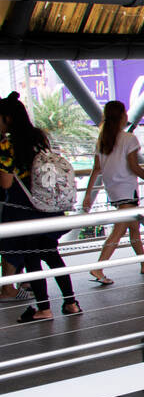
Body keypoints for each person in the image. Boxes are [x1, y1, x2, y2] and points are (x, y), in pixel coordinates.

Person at [0, 93, 82, 322]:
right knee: (52, 255)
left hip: (23, 209)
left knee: (31, 259)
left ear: (6, 118)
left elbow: (6, 182)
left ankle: (44, 308)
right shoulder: (38, 137)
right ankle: (71, 302)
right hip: (47, 205)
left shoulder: (7, 145)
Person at [81, 100, 144, 284]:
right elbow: (134, 166)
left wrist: (87, 194)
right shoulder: (128, 138)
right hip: (127, 189)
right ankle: (98, 267)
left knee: (133, 228)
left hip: (112, 189)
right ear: (122, 115)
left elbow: (96, 168)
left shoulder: (103, 139)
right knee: (120, 229)